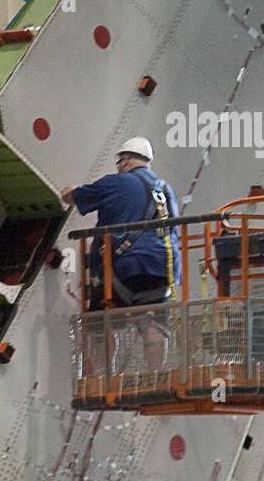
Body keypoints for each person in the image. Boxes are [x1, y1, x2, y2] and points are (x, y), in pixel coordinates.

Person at [62, 138, 181, 374]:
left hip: (121, 268)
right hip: (163, 268)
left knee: (101, 326)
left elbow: (73, 197)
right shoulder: (167, 190)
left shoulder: (116, 183)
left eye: (119, 162)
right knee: (152, 324)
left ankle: (104, 378)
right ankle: (156, 375)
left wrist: (67, 192)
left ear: (125, 160)